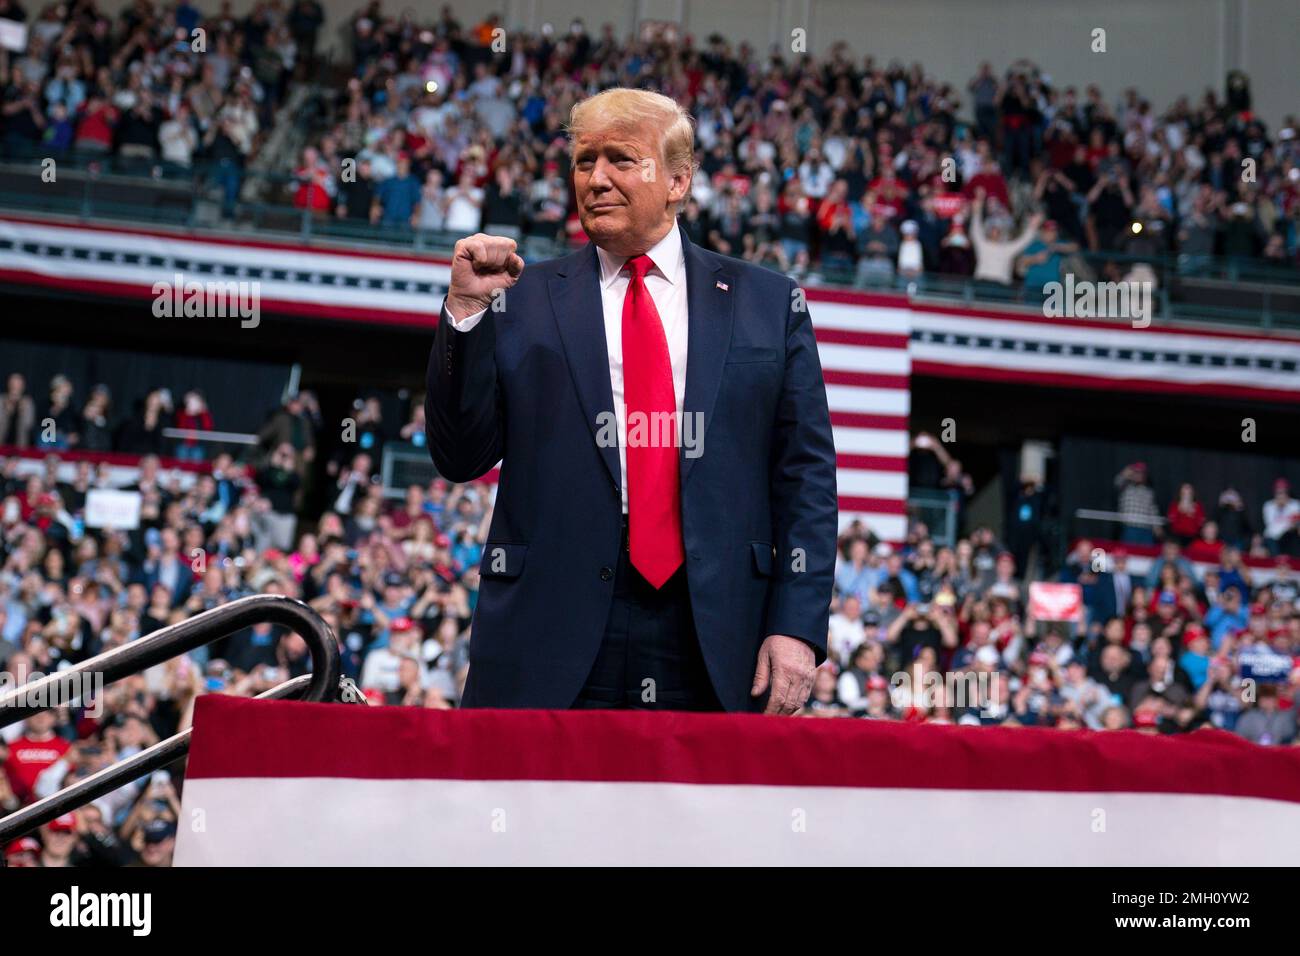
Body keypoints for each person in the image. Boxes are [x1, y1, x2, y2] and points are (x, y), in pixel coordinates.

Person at [426, 87, 837, 714]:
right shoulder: (520, 296)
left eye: (621, 159)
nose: (596, 179)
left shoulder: (769, 304)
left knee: (697, 813)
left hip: (717, 632)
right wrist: (464, 314)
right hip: (548, 625)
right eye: (584, 161)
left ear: (677, 180)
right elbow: (460, 455)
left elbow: (806, 476)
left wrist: (796, 626)